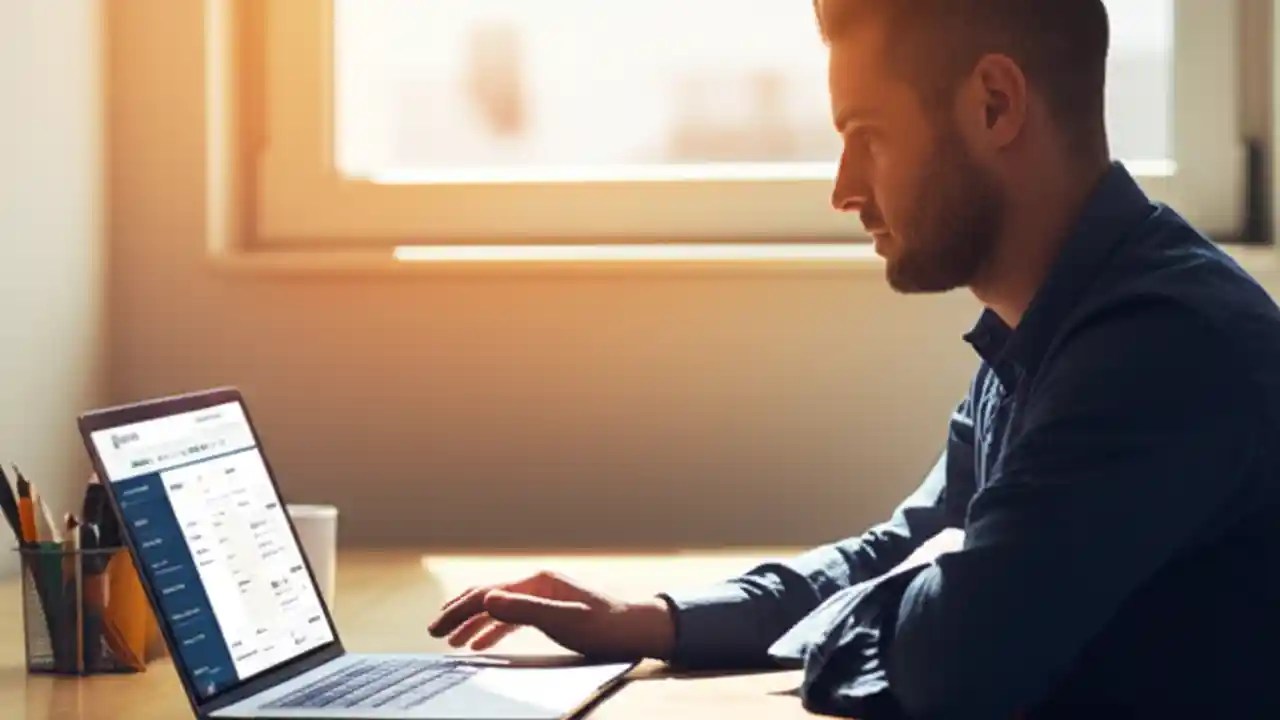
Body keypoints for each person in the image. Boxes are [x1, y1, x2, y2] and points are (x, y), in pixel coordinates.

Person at [430, 1, 1280, 717]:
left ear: (994, 105)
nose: (843, 189)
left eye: (867, 136)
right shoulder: (1051, 325)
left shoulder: (1160, 345)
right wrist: (653, 620)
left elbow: (954, 660)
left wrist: (893, 607)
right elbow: (902, 550)